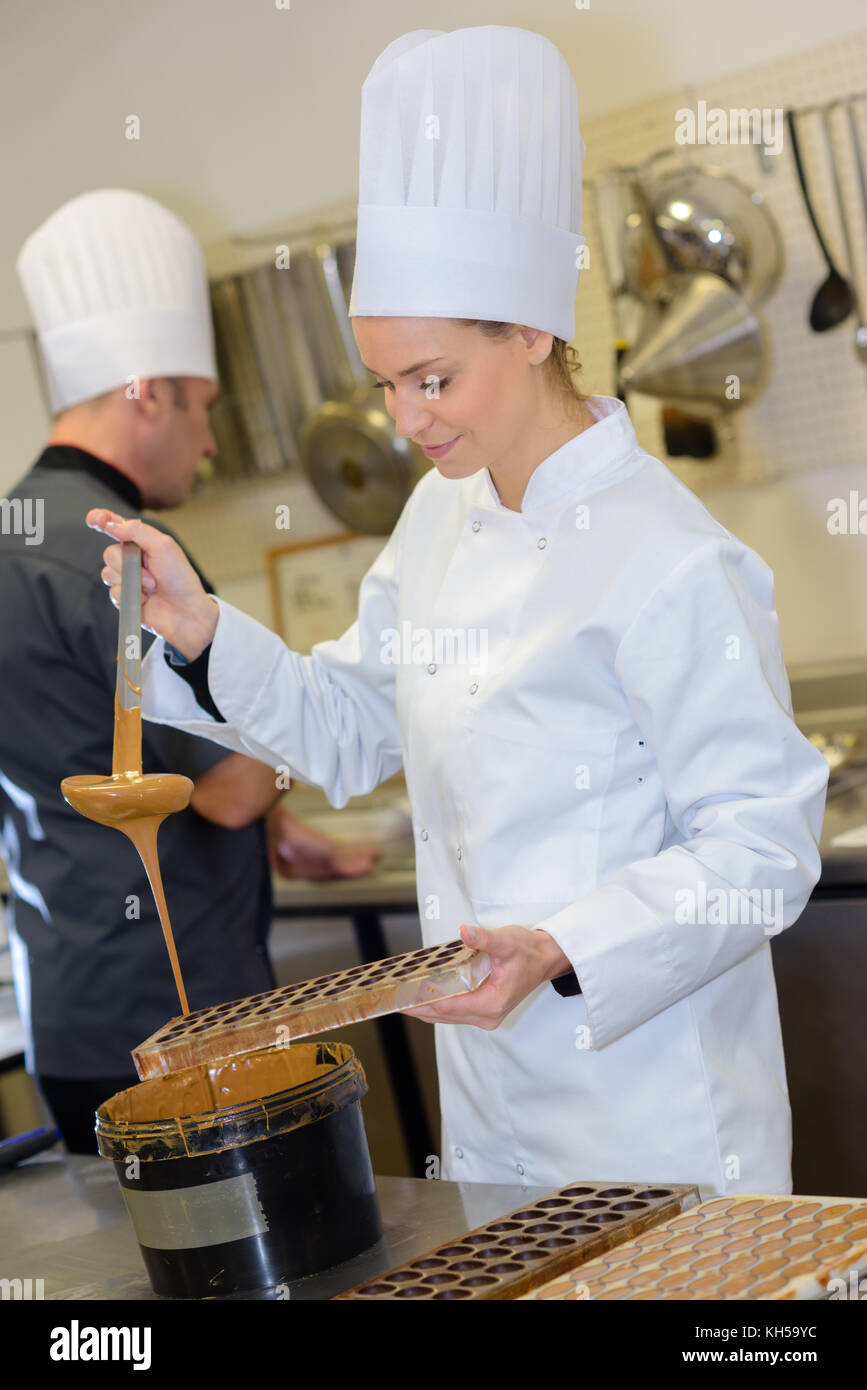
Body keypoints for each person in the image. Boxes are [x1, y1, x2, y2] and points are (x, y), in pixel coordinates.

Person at [88, 27, 829, 1194]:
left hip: (656, 1114)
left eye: (434, 380)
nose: (408, 421)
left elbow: (763, 846)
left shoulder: (674, 558)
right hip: (492, 1105)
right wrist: (199, 627)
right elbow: (348, 722)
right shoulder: (445, 516)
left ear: (531, 331)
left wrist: (562, 944)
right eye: (387, 383)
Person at [0, 189, 376, 1154]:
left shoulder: (14, 534)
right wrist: (300, 752)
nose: (209, 443)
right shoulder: (121, 550)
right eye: (203, 407)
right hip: (182, 1015)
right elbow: (225, 793)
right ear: (150, 392)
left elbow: (93, 739)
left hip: (70, 1008)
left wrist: (280, 823)